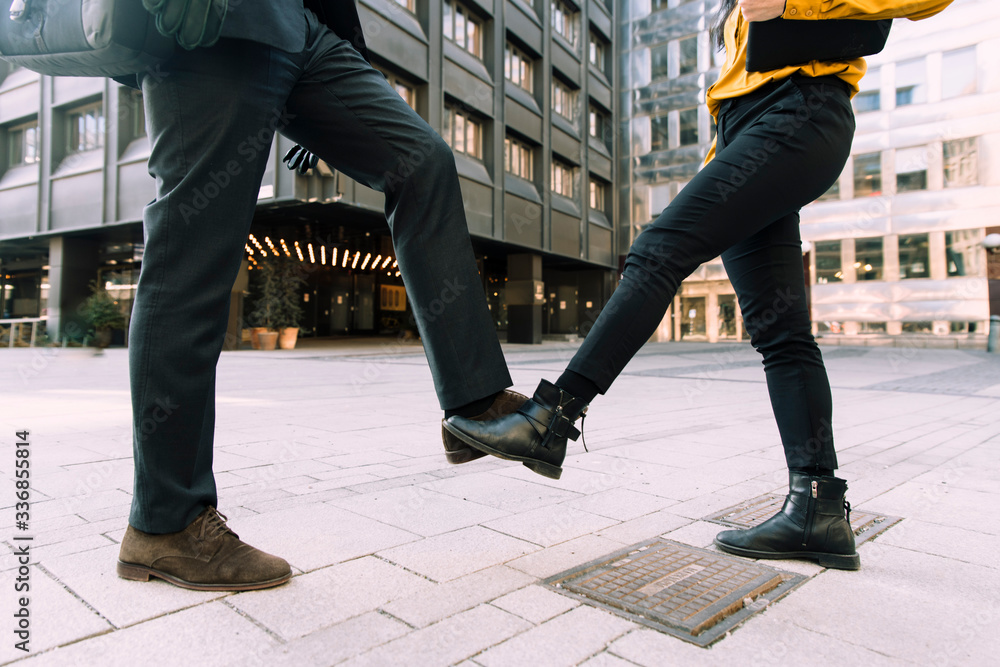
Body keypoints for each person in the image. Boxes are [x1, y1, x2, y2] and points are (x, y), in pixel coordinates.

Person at [444, 0, 953, 571]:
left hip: (801, 111)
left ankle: (550, 419)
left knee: (656, 252)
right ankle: (818, 510)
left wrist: (791, 5)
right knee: (781, 336)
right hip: (745, 134)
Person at [115, 0, 525, 591]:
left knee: (422, 159)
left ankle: (474, 402)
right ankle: (164, 522)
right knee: (191, 256)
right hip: (217, 24)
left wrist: (346, 64)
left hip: (308, 29)